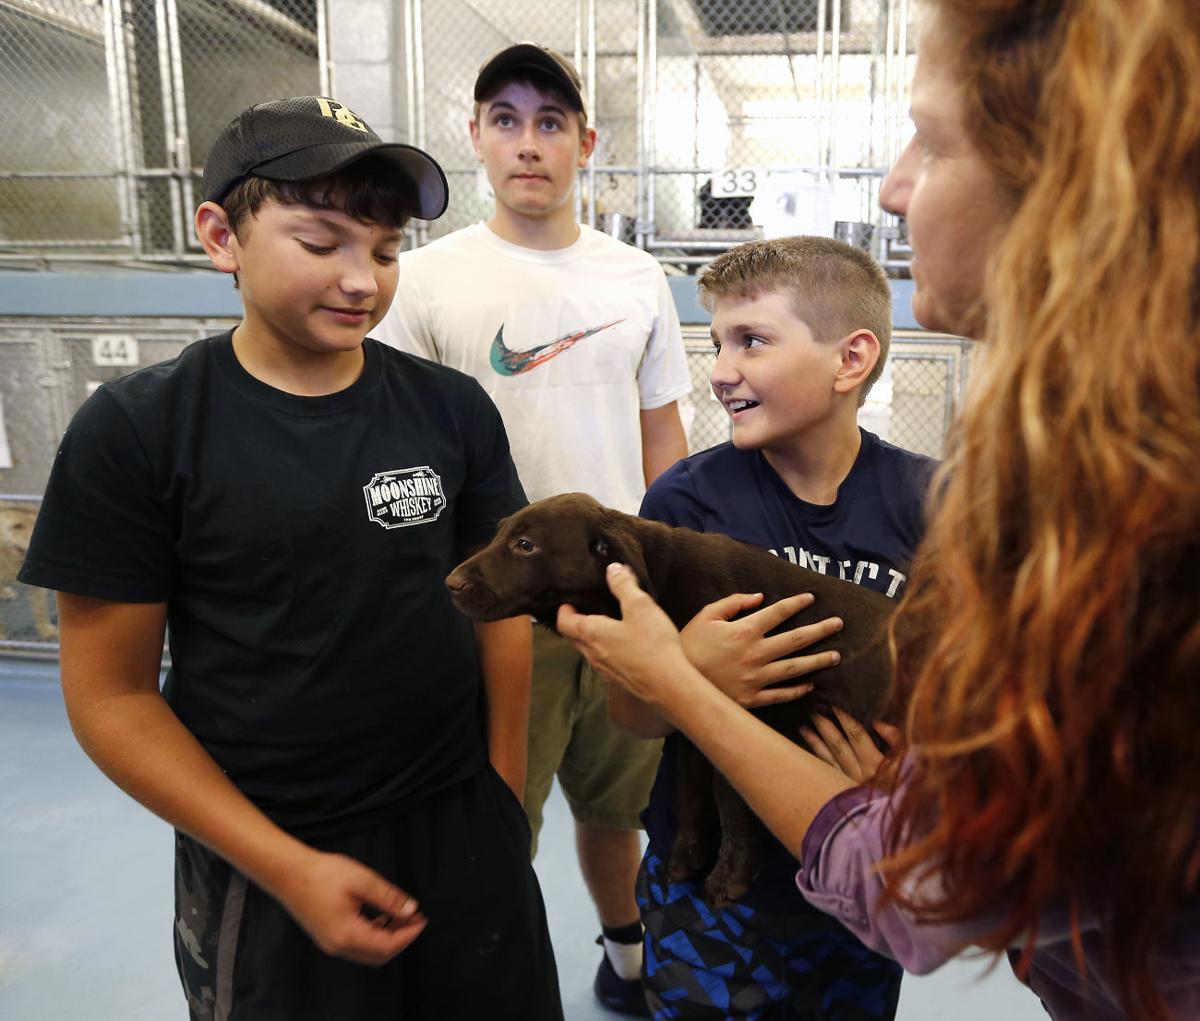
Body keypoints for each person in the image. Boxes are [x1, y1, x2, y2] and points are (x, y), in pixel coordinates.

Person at [557, 1, 1200, 1018]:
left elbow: (920, 891)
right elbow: (639, 698)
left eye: (932, 142)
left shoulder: (958, 501)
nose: (896, 188)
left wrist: (900, 784)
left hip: (853, 908)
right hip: (716, 883)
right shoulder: (691, 500)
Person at [18, 96, 563, 1020]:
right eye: (322, 244)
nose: (363, 279)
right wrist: (283, 866)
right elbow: (110, 696)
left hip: (462, 826)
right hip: (270, 849)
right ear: (221, 237)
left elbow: (497, 613)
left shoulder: (451, 409)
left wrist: (504, 802)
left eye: (386, 251)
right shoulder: (141, 430)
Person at [376, 43, 691, 1015]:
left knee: (620, 808)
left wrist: (665, 588)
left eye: (550, 121)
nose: (528, 143)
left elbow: (664, 437)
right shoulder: (424, 283)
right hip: (492, 614)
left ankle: (629, 958)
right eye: (504, 119)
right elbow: (396, 451)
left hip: (616, 607)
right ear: (474, 136)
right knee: (489, 817)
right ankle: (484, 978)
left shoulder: (637, 277)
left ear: (585, 144)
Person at [609, 235, 936, 1019]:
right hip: (711, 885)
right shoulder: (685, 505)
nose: (722, 369)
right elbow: (629, 712)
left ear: (849, 359)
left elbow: (955, 696)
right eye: (717, 341)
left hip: (858, 876)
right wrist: (687, 672)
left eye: (752, 340)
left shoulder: (929, 503)